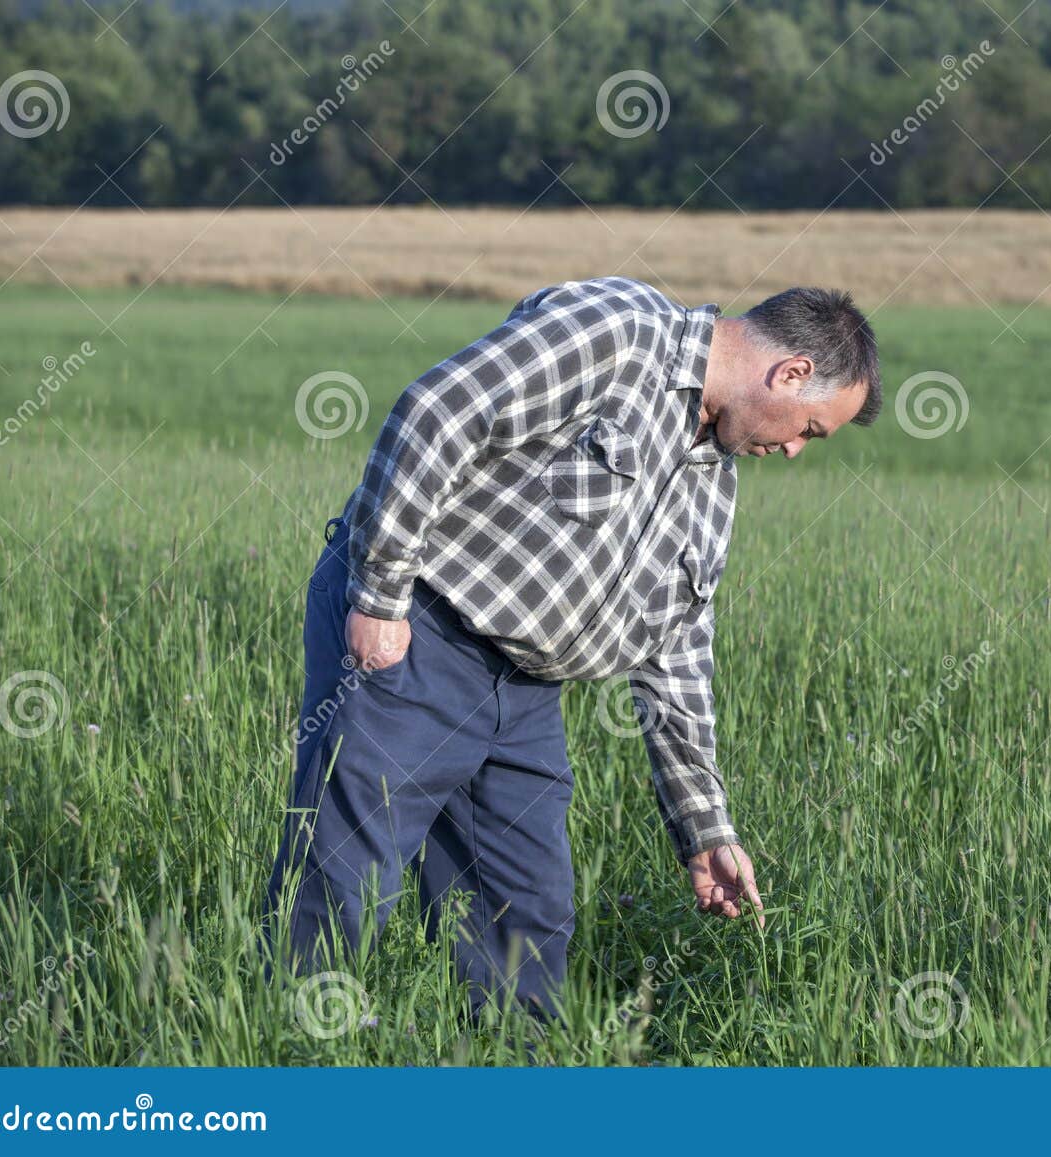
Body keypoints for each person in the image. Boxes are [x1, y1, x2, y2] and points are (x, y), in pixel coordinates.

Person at [264, 276, 881, 1020]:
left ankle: (514, 1089)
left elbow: (677, 655)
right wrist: (381, 592)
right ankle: (289, 1055)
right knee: (347, 877)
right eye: (807, 430)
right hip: (417, 629)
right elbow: (438, 411)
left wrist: (705, 829)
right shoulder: (618, 333)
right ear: (791, 373)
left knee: (529, 909)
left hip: (524, 692)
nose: (790, 450)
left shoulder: (713, 478)